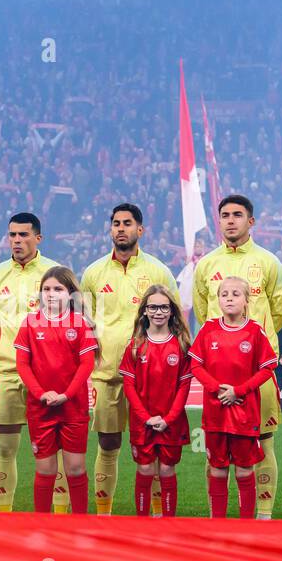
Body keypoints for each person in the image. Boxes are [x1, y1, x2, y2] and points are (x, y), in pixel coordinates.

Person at [193, 195, 282, 519]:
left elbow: (279, 313)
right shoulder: (205, 265)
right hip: (217, 379)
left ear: (251, 221)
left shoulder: (269, 262)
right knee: (216, 452)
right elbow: (202, 310)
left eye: (237, 215)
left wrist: (247, 348)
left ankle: (262, 515)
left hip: (253, 374)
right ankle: (217, 518)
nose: (230, 220)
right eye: (224, 215)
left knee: (262, 442)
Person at [81, 203, 180, 515]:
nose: (120, 228)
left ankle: (153, 515)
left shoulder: (158, 271)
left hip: (152, 377)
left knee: (151, 448)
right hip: (107, 373)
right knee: (108, 443)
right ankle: (104, 513)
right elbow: (85, 320)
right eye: (115, 223)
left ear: (140, 230)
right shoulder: (94, 273)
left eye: (127, 223)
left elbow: (174, 318)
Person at [0, 212, 65, 512]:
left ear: (38, 238)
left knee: (52, 450)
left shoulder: (54, 274)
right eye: (12, 235)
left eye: (23, 235)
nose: (17, 241)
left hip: (47, 375)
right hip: (7, 371)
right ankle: (6, 515)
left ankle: (59, 516)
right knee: (6, 446)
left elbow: (71, 319)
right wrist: (9, 351)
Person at [189, 277, 279, 519]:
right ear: (217, 299)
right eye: (224, 294)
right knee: (217, 468)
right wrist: (217, 389)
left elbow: (267, 368)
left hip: (244, 413)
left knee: (243, 469)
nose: (229, 298)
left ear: (247, 300)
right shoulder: (208, 329)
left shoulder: (254, 331)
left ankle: (245, 525)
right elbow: (195, 365)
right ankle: (217, 523)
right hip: (215, 413)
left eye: (236, 294)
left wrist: (238, 391)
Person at [13, 266, 98, 514]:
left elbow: (87, 364)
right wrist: (41, 393)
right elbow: (22, 364)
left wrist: (66, 395)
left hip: (73, 407)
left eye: (58, 289)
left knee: (75, 468)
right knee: (45, 469)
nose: (51, 294)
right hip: (41, 408)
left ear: (70, 294)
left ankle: (79, 522)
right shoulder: (29, 322)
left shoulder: (80, 323)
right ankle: (42, 522)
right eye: (46, 289)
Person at [119, 285, 193, 517]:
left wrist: (169, 419)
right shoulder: (134, 346)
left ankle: (168, 522)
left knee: (167, 469)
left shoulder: (181, 346)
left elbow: (184, 387)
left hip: (172, 422)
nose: (158, 311)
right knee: (144, 468)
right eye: (153, 307)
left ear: (172, 311)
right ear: (144, 311)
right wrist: (146, 418)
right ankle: (142, 522)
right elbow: (129, 387)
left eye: (164, 307)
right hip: (143, 422)